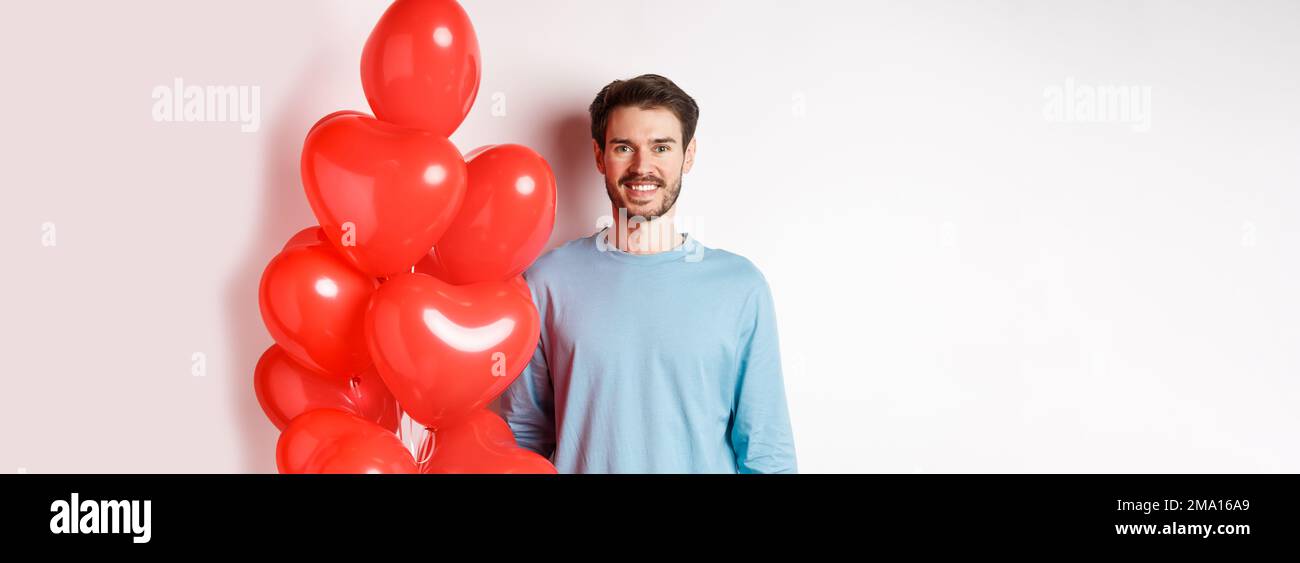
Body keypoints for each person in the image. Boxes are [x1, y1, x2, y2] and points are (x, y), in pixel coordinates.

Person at [493, 74, 797, 473]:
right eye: (624, 147)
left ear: (688, 156)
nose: (643, 166)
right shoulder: (547, 282)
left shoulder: (740, 287)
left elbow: (767, 453)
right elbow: (522, 441)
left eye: (661, 147)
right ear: (600, 155)